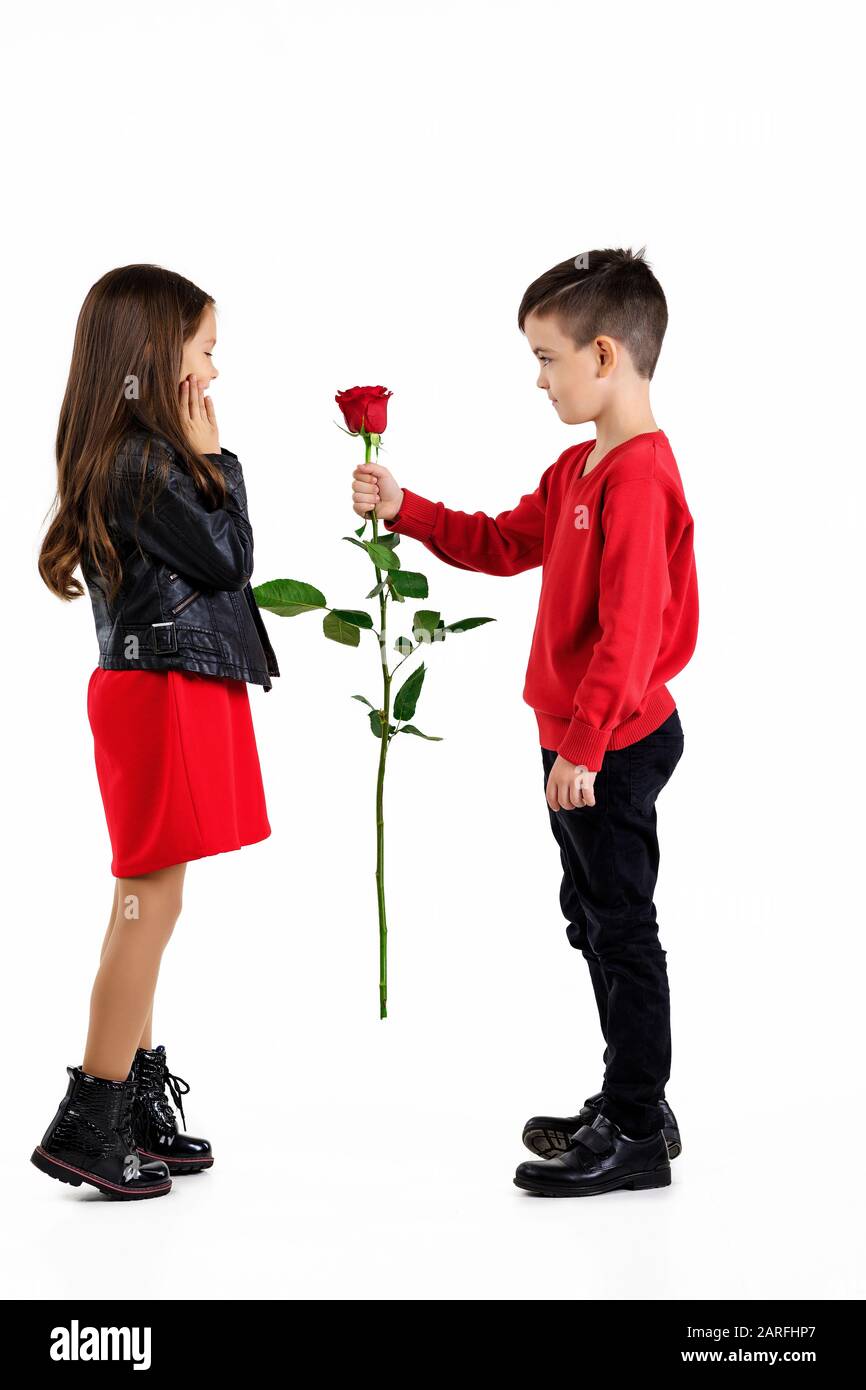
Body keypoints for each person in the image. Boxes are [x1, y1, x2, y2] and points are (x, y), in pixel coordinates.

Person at [351, 247, 698, 1198]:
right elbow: (505, 543)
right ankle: (635, 1095)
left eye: (546, 359)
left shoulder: (636, 481)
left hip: (612, 740)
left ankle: (634, 1127)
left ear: (603, 356)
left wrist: (584, 748)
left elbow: (629, 637)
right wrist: (407, 507)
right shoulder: (580, 467)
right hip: (577, 736)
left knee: (621, 927)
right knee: (590, 918)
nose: (538, 380)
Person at [32, 265, 279, 1199]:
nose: (213, 372)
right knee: (149, 906)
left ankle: (131, 1104)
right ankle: (91, 1120)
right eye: (205, 350)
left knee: (145, 903)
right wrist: (221, 462)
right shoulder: (141, 459)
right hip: (161, 693)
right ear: (153, 355)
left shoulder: (131, 453)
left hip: (159, 689)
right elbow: (229, 559)